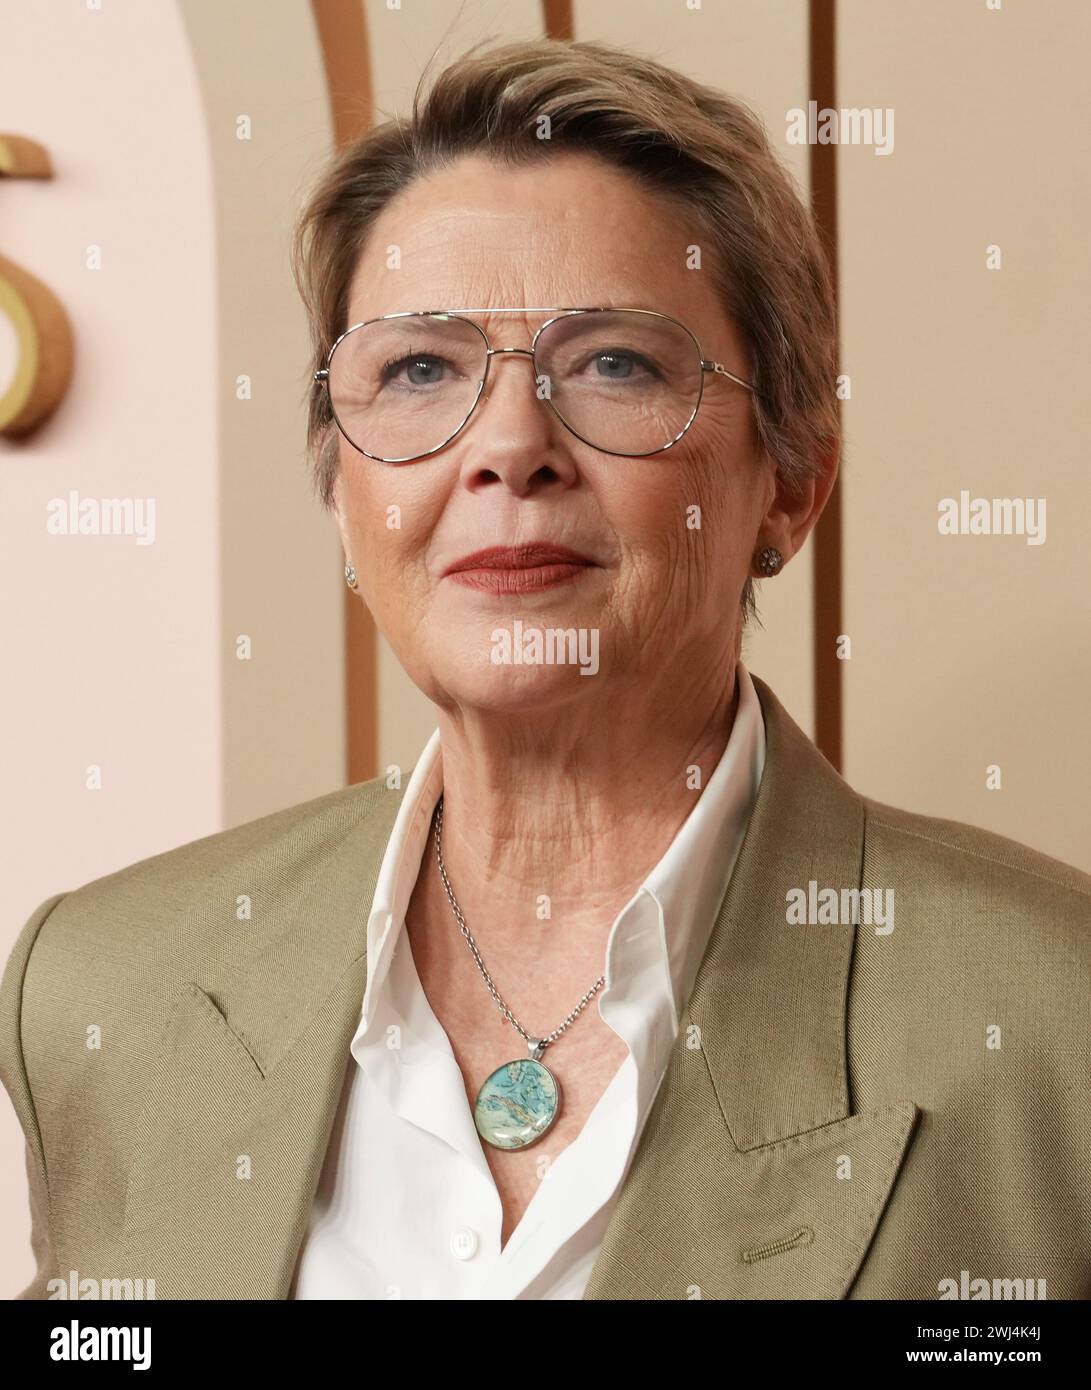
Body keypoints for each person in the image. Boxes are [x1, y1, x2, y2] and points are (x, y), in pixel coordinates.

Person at [2, 37, 1088, 1302]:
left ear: (789, 481)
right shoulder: (104, 987)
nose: (509, 446)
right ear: (341, 485)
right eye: (418, 369)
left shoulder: (1050, 1022)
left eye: (614, 363)